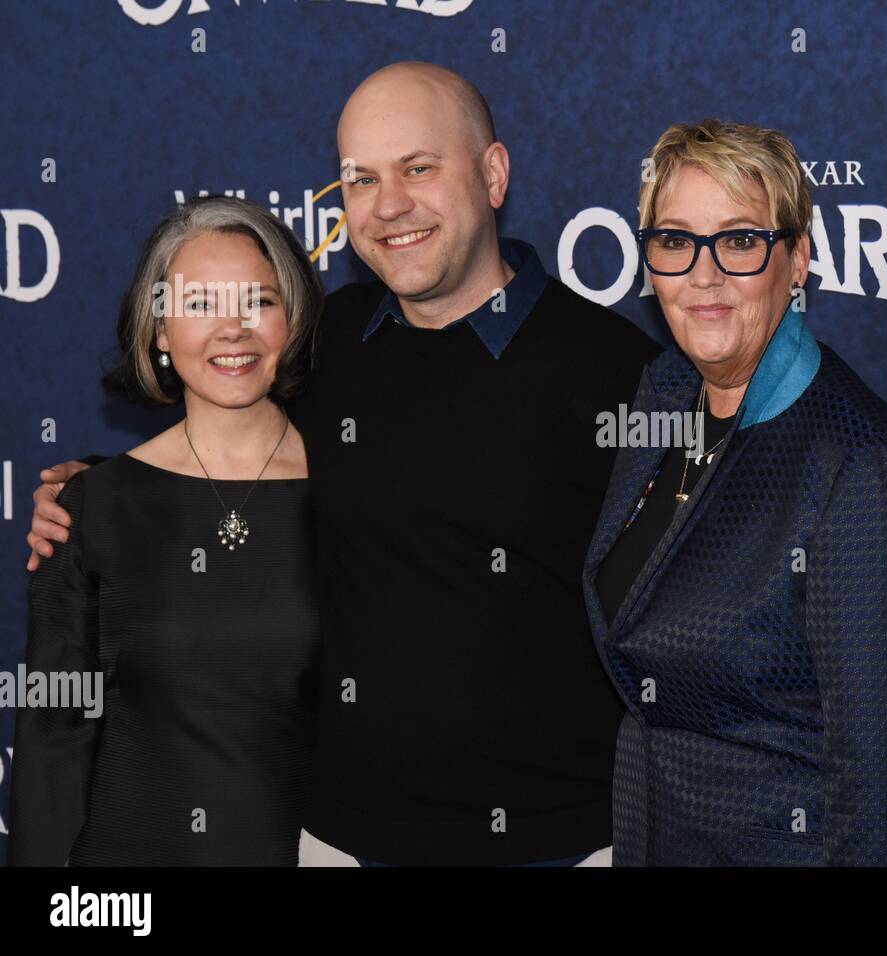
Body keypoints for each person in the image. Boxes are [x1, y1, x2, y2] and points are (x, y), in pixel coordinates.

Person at [27, 62, 660, 867]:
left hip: (555, 845)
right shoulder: (328, 346)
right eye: (360, 179)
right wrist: (95, 494)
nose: (389, 204)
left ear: (493, 174)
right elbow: (230, 436)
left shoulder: (619, 372)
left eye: (419, 168)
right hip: (337, 843)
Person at [584, 119, 887, 865]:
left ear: (798, 261)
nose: (703, 273)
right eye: (674, 240)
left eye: (740, 240)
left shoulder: (860, 467)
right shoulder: (662, 394)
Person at [11, 196, 321, 865]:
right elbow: (51, 744)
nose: (231, 329)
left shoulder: (357, 497)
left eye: (258, 301)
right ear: (159, 330)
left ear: (292, 319)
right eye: (200, 303)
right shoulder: (89, 507)